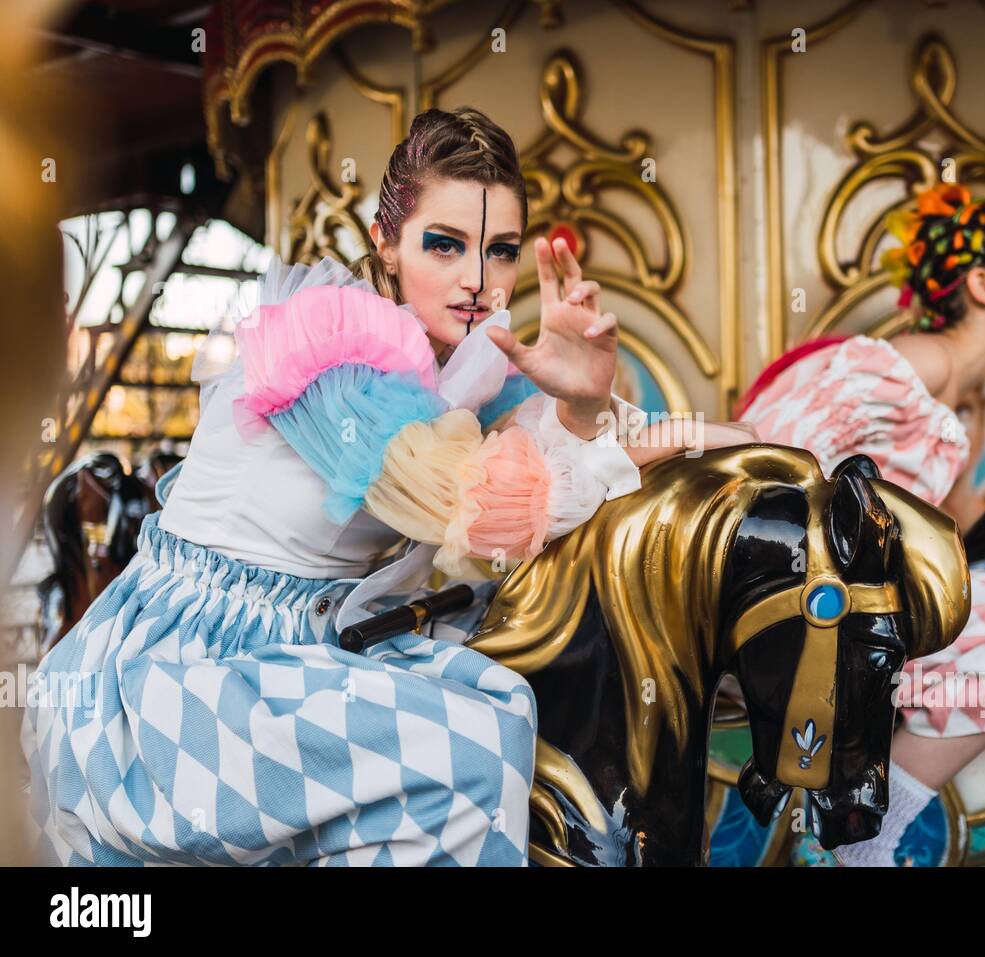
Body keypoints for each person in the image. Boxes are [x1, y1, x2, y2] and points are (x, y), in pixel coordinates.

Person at [21, 106, 752, 867]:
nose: (475, 280)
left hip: (306, 643)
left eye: (499, 252)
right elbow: (472, 504)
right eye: (444, 245)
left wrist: (780, 461)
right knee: (476, 744)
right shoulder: (332, 347)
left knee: (516, 690)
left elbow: (641, 443)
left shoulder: (462, 367)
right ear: (386, 243)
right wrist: (584, 415)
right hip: (188, 672)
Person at [736, 184, 985, 866]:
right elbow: (772, 452)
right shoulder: (914, 365)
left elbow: (950, 529)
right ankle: (863, 835)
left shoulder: (954, 393)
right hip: (808, 595)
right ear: (983, 284)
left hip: (862, 597)